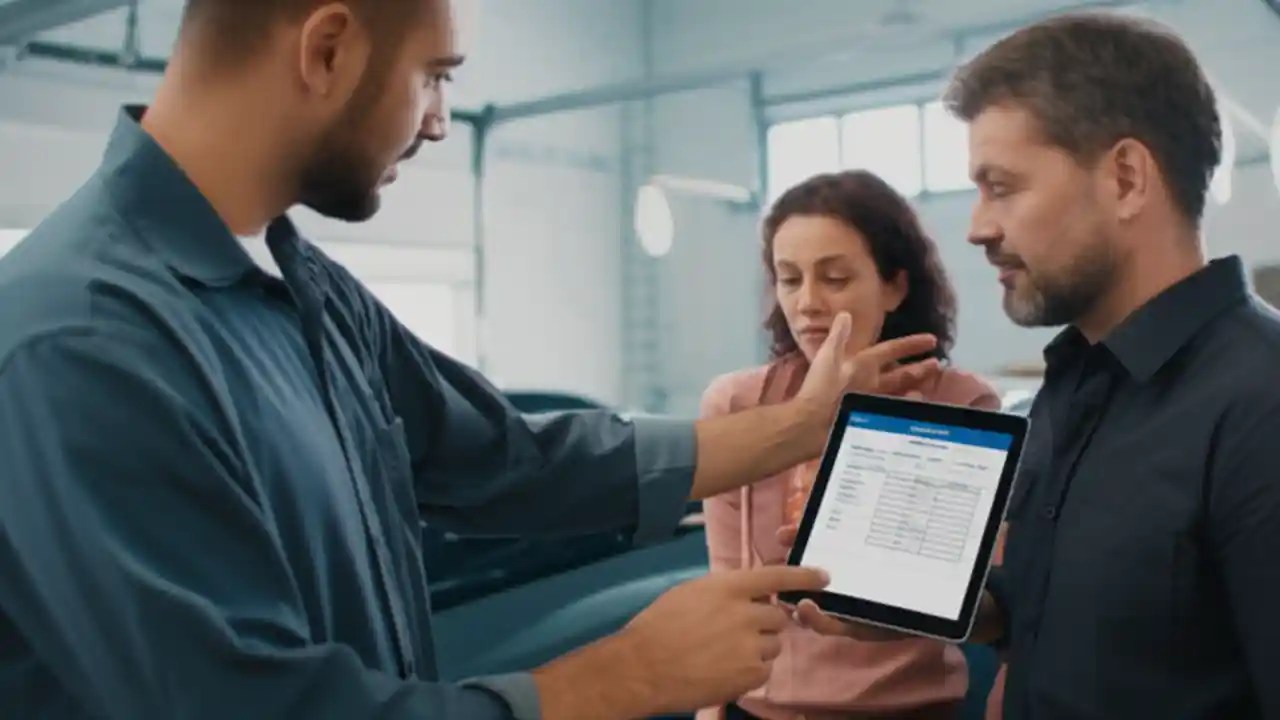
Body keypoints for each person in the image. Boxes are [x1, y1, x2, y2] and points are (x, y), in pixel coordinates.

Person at [0, 1, 947, 719]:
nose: (441, 121)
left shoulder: (304, 288)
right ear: (326, 49)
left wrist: (804, 424)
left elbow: (510, 459)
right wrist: (618, 676)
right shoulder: (82, 341)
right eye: (434, 76)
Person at [789, 12, 1280, 720]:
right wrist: (920, 606)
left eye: (1002, 187)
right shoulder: (1073, 384)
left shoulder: (1259, 403)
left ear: (1126, 178)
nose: (976, 226)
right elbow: (1068, 618)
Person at [697, 170, 1000, 720]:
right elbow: (726, 590)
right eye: (789, 280)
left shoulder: (961, 403)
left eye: (834, 278)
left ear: (895, 285)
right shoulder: (738, 403)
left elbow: (960, 592)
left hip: (909, 709)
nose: (808, 302)